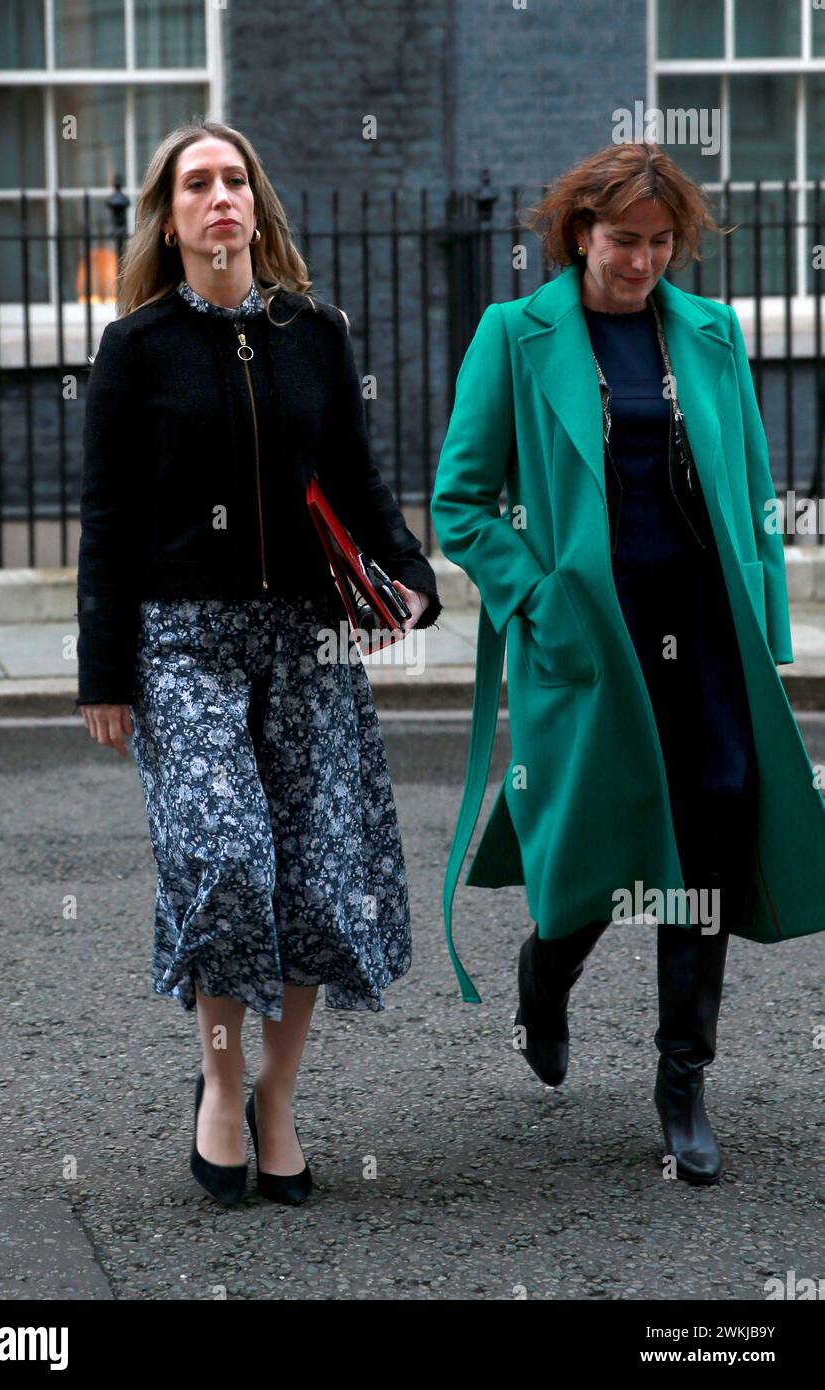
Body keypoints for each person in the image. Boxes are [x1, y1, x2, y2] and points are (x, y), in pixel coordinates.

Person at [431, 141, 825, 1186]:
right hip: (589, 644)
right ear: (576, 234)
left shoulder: (709, 332)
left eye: (658, 244)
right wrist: (538, 598)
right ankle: (543, 969)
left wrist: (768, 632)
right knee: (600, 845)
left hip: (703, 639)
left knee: (704, 841)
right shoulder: (514, 336)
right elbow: (459, 503)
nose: (641, 262)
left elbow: (746, 493)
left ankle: (680, 1082)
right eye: (622, 242)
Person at [75, 119, 442, 1207]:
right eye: (197, 183)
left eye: (235, 179)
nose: (219, 196)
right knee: (226, 857)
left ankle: (272, 1099)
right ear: (171, 215)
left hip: (305, 640)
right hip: (183, 637)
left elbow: (354, 475)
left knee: (318, 877)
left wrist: (408, 570)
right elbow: (105, 517)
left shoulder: (312, 330)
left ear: (256, 204)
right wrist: (104, 671)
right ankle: (219, 1090)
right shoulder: (134, 349)